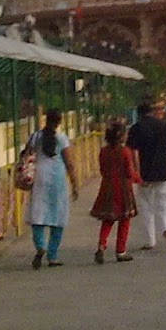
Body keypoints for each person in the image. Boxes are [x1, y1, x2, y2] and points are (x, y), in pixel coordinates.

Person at [126, 97, 166, 250]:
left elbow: (133, 152)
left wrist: (137, 172)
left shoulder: (136, 129)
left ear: (138, 114)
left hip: (145, 173)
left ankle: (150, 240)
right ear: (151, 112)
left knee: (146, 206)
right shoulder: (164, 125)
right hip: (164, 171)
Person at [26, 108, 80, 268]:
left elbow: (26, 155)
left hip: (39, 176)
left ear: (46, 120)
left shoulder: (36, 137)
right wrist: (75, 183)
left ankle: (40, 246)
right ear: (59, 121)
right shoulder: (62, 139)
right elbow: (69, 163)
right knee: (58, 217)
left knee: (38, 214)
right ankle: (52, 255)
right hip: (57, 178)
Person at [91, 119, 141, 263]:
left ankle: (101, 245)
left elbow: (102, 170)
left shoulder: (103, 151)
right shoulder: (125, 151)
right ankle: (120, 250)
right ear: (121, 137)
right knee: (124, 220)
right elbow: (130, 172)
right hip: (123, 188)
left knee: (108, 219)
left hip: (107, 186)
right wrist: (139, 179)